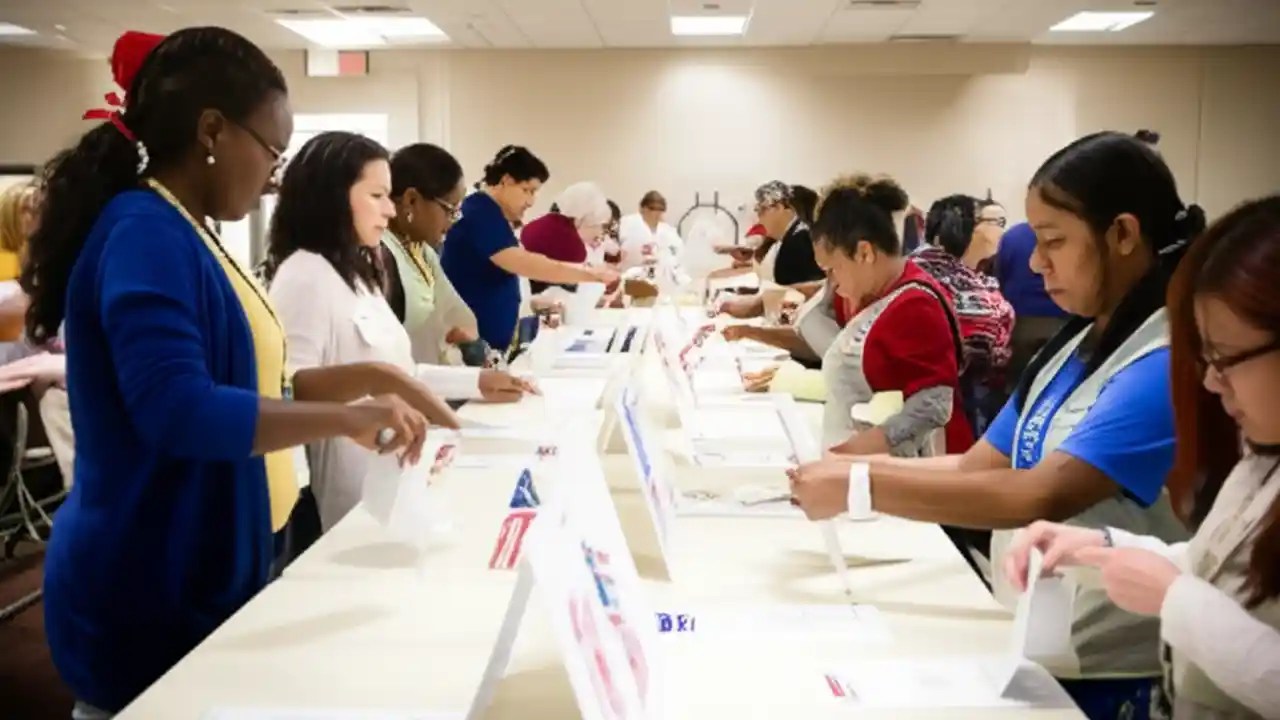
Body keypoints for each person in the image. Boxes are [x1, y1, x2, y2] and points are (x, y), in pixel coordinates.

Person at [25, 28, 432, 716]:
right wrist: (346, 417)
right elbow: (179, 410)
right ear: (212, 130)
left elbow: (249, 386)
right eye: (272, 148)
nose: (275, 173)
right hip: (145, 582)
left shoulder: (187, 227)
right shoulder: (144, 230)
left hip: (192, 571)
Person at [789, 132, 1204, 720]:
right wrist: (845, 465)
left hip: (1112, 673)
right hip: (1038, 642)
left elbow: (1040, 492)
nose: (1035, 263)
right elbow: (981, 462)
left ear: (1123, 234)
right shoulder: (1080, 343)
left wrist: (860, 486)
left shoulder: (1160, 360)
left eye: (1053, 241)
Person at [1003, 194, 1280, 720]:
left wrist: (1175, 600)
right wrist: (1101, 547)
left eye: (1227, 358)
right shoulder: (1262, 455)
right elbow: (1219, 567)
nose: (1210, 381)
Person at [266, 132, 534, 531]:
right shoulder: (304, 274)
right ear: (332, 195)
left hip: (396, 485)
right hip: (348, 505)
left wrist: (477, 380)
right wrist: (369, 392)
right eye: (376, 196)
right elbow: (290, 391)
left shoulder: (359, 273)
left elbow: (403, 374)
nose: (389, 211)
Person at [806, 173, 971, 455]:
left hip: (919, 471)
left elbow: (933, 405)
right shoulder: (874, 294)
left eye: (832, 269)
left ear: (864, 253)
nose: (831, 282)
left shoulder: (915, 304)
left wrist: (849, 454)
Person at [440, 145, 616, 353]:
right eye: (527, 190)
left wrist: (532, 303)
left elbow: (502, 274)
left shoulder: (494, 215)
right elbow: (523, 263)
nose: (531, 201)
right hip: (474, 341)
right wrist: (589, 273)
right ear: (506, 181)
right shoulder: (479, 213)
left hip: (495, 339)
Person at [915, 194, 1015, 434]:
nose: (1001, 231)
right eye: (994, 223)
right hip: (949, 396)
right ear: (963, 226)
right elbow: (973, 338)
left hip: (979, 391)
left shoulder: (981, 276)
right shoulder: (929, 269)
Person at [382, 142, 486, 367]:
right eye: (450, 210)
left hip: (428, 384)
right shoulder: (382, 252)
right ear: (411, 200)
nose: (453, 222)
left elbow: (458, 317)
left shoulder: (421, 249)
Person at [996, 219, 1070, 390]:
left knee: (1018, 388)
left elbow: (1000, 277)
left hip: (1021, 325)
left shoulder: (1012, 235)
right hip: (1063, 323)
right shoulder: (1068, 233)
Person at [520, 181, 611, 294]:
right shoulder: (571, 243)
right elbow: (570, 292)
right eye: (597, 226)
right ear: (584, 219)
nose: (599, 233)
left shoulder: (537, 224)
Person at [752, 181, 824, 287]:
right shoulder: (790, 238)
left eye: (761, 210)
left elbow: (810, 290)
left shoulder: (801, 240)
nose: (759, 219)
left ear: (779, 207)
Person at [618, 190, 683, 271]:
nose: (657, 213)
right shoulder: (628, 222)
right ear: (642, 208)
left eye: (660, 209)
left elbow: (679, 253)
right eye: (653, 208)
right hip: (633, 272)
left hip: (661, 274)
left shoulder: (669, 231)